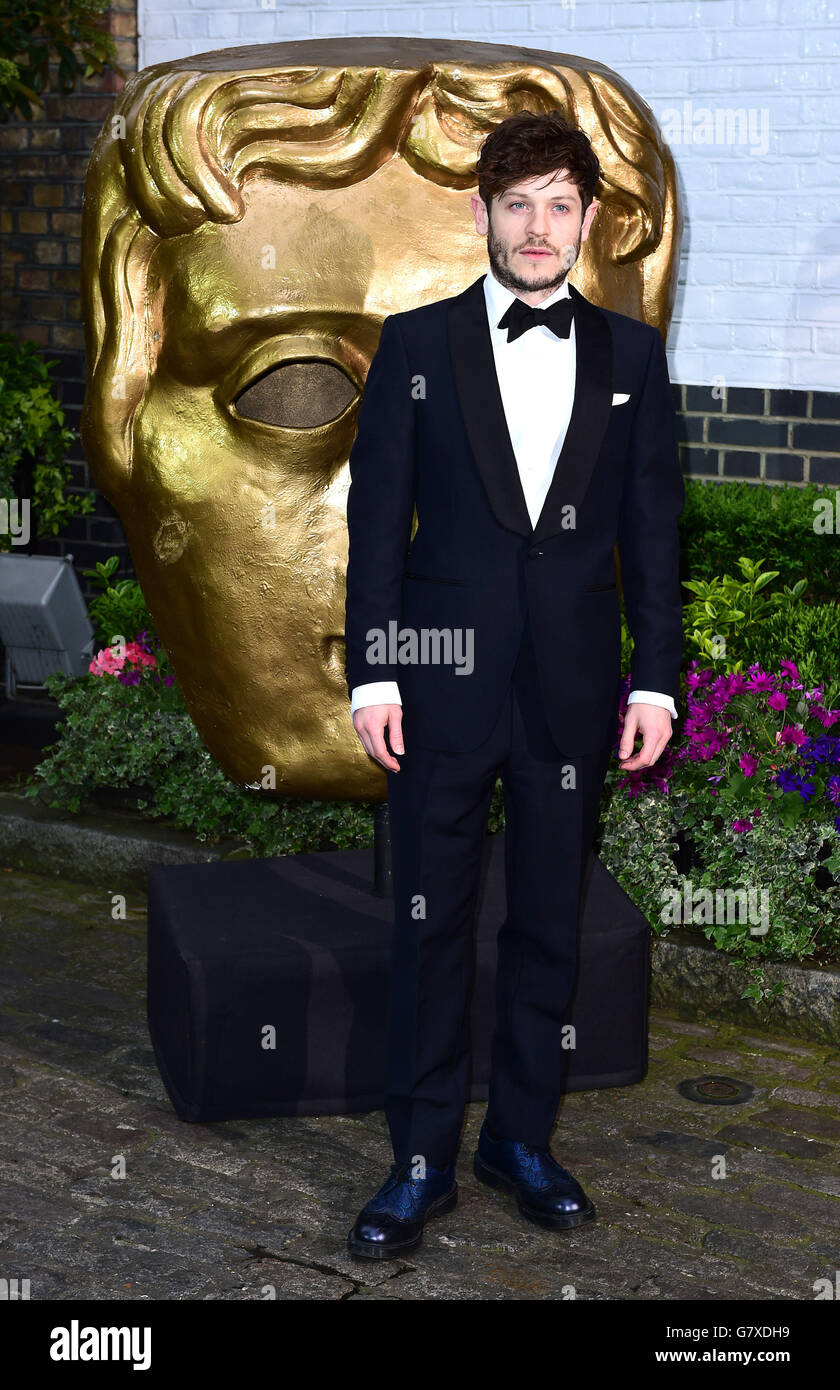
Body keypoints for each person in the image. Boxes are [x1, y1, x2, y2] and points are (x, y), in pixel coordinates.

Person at [343, 109, 684, 1259]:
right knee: (429, 925)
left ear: (587, 220)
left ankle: (522, 1139)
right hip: (440, 686)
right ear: (482, 213)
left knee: (549, 922)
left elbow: (654, 538)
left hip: (578, 695)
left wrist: (656, 685)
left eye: (558, 205)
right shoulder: (416, 347)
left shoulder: (634, 359)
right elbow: (378, 527)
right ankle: (422, 1157)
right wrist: (375, 672)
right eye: (517, 203)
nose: (539, 227)